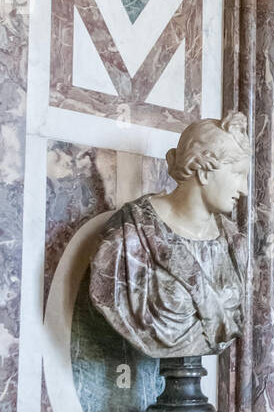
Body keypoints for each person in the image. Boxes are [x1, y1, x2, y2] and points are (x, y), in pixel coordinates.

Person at [90, 112, 249, 357]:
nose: (244, 189)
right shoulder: (130, 235)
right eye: (238, 174)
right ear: (205, 171)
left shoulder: (235, 243)